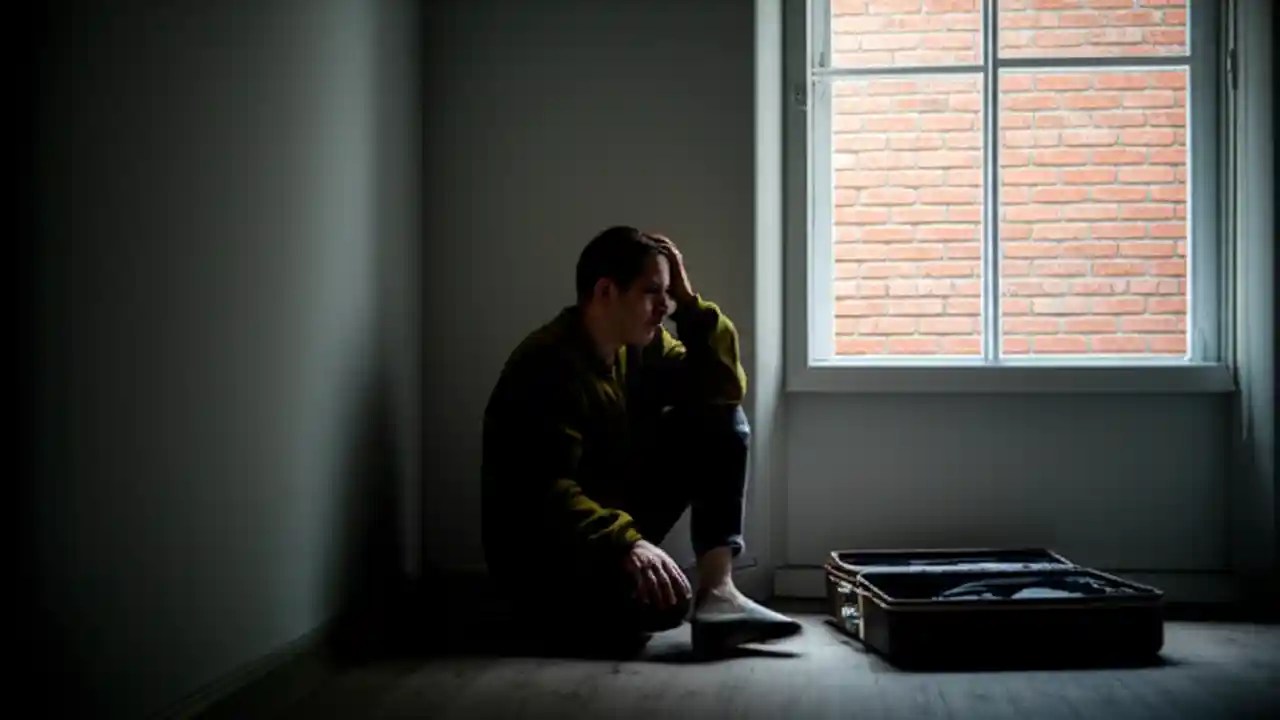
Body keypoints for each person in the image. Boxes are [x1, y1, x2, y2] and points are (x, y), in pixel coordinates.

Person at [481, 225, 801, 655]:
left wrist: (690, 306)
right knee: (660, 609)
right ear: (606, 292)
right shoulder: (545, 365)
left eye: (667, 295)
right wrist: (625, 542)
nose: (663, 308)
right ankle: (554, 614)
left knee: (720, 419)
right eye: (653, 293)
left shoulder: (640, 349)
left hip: (608, 528)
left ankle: (719, 593)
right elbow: (540, 490)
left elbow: (722, 389)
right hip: (548, 554)